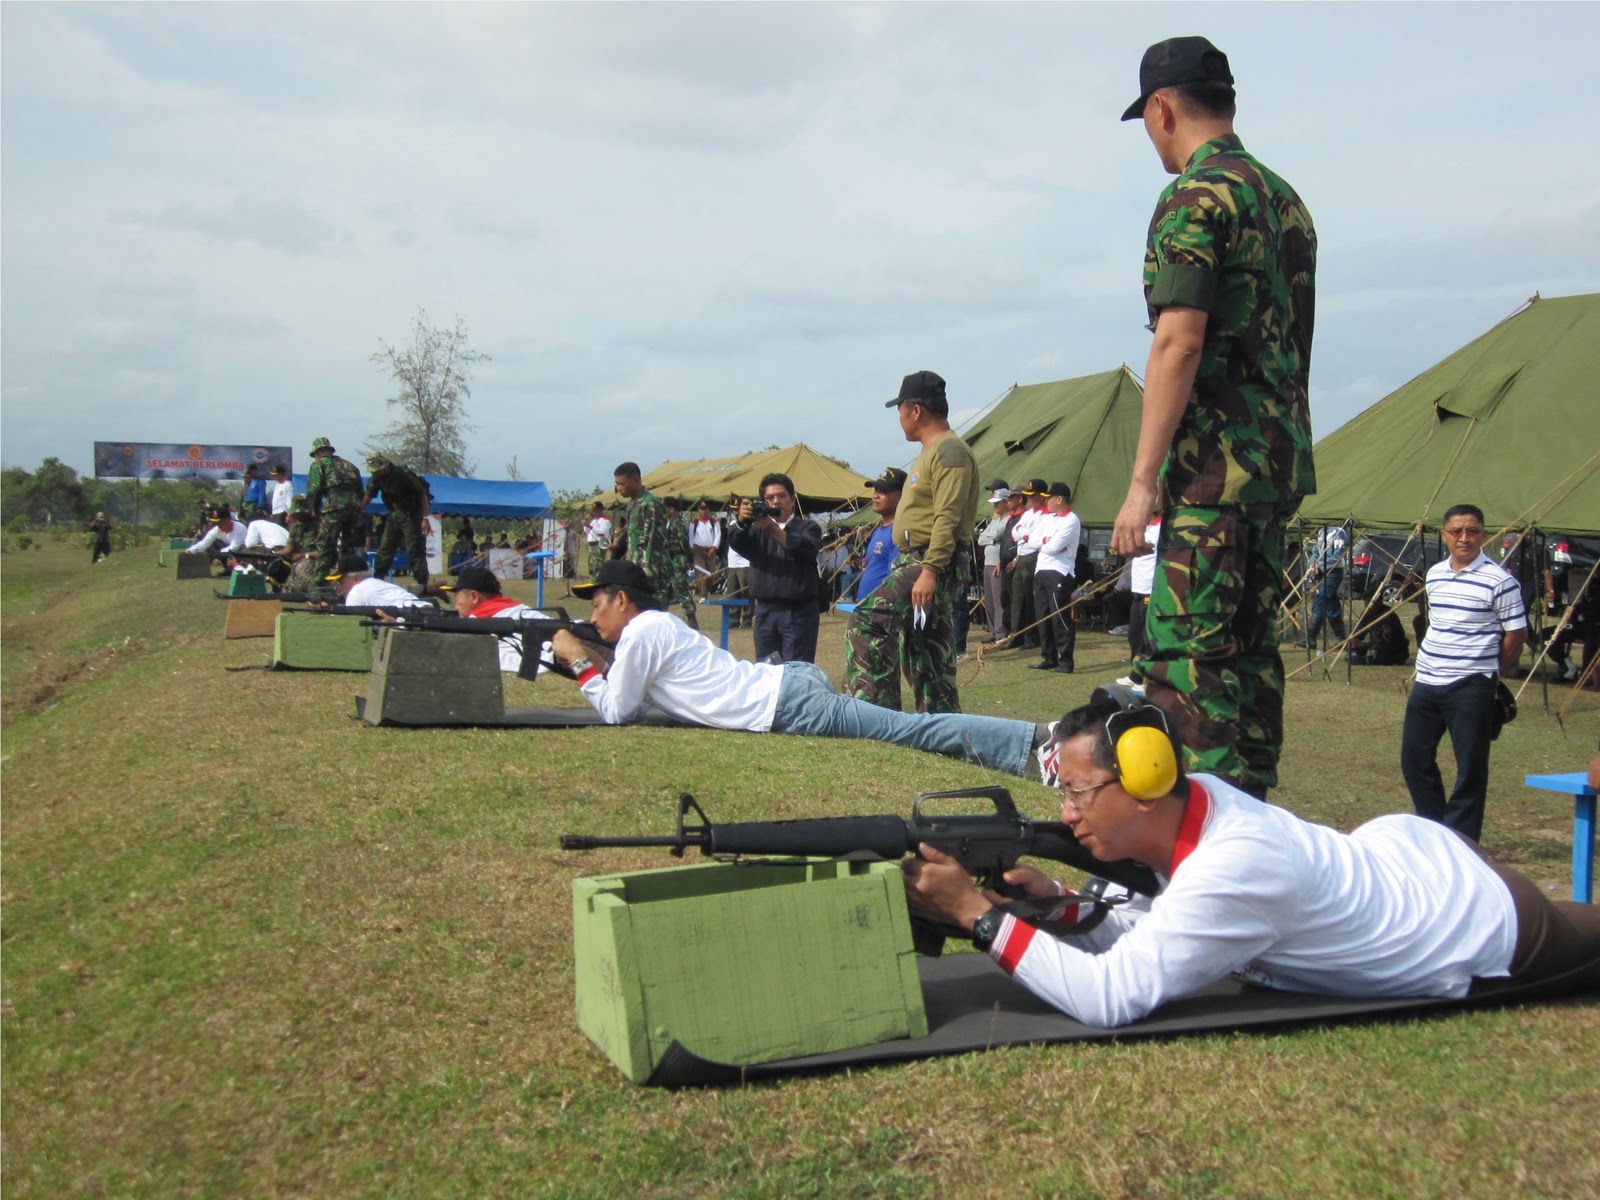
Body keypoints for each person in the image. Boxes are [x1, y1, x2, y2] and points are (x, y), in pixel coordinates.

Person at [902, 691, 1600, 1029]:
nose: (1067, 812)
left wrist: (975, 914)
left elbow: (1112, 996)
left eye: (1081, 793)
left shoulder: (1236, 865)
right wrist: (1059, 904)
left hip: (1480, 917)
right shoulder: (1194, 801)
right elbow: (1157, 927)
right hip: (1407, 857)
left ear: (1145, 787)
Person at [1108, 36, 1318, 798]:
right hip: (1271, 472)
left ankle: (1206, 863)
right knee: (1253, 664)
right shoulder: (1286, 200)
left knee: (1189, 673)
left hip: (1210, 479)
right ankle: (1259, 841)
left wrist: (1141, 484)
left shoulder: (1197, 197)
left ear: (1162, 109)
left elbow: (1178, 340)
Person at [548, 561, 1050, 775]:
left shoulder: (640, 632)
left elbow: (618, 710)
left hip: (787, 702)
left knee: (912, 731)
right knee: (908, 729)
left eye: (597, 606)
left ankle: (1034, 742)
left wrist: (576, 661)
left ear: (620, 600)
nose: (593, 617)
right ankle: (1034, 742)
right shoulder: (658, 626)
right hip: (788, 683)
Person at [845, 372, 979, 712]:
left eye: (900, 409)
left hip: (931, 560)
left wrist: (930, 570)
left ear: (915, 410)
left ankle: (875, 713)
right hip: (919, 559)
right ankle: (941, 723)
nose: (900, 418)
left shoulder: (949, 451)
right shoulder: (932, 452)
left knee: (868, 619)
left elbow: (947, 515)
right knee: (925, 648)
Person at [1401, 504, 1528, 842]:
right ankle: (1434, 829)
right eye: (1456, 531)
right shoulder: (1435, 575)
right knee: (1414, 759)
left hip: (1470, 685)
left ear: (1483, 535)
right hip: (1428, 681)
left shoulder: (1500, 582)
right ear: (1444, 535)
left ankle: (1461, 841)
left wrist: (1489, 670)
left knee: (1470, 769)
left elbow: (1516, 634)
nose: (1464, 538)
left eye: (1471, 531)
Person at [728, 472, 822, 663]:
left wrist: (773, 529)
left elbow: (805, 548)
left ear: (793, 499)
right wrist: (741, 521)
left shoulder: (808, 527)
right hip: (765, 612)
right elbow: (736, 542)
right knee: (766, 670)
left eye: (781, 496)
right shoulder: (756, 531)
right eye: (769, 498)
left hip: (798, 613)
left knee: (795, 671)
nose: (776, 501)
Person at [611, 462, 698, 632]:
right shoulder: (631, 506)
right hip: (636, 570)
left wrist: (646, 573)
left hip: (652, 572)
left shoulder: (650, 504)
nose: (618, 488)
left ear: (636, 480)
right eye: (617, 484)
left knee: (654, 619)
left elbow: (653, 540)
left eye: (621, 484)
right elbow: (632, 542)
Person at [440, 564, 548, 673]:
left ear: (474, 597)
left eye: (457, 599)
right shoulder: (517, 607)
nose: (456, 607)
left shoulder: (478, 620)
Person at [1027, 483, 1082, 673]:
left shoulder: (1072, 520)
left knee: (1059, 616)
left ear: (1059, 499)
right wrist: (1045, 541)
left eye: (1049, 498)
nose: (1045, 501)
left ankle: (1065, 661)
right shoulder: (1048, 518)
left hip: (1060, 571)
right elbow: (1032, 540)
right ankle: (1048, 657)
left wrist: (1045, 543)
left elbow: (1054, 546)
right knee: (1042, 616)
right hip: (1041, 570)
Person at [362, 454, 432, 589]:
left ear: (386, 466)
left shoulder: (402, 474)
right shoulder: (376, 478)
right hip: (394, 514)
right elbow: (368, 496)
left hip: (412, 515)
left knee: (415, 550)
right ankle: (378, 580)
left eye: (378, 470)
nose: (376, 473)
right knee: (385, 548)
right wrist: (358, 509)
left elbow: (421, 495)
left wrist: (425, 518)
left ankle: (422, 585)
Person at [305, 436, 365, 578]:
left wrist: (313, 509)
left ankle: (319, 581)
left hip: (334, 506)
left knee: (325, 545)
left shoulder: (318, 464)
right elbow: (361, 492)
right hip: (354, 508)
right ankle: (348, 579)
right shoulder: (350, 465)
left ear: (318, 453)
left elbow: (314, 490)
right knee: (348, 547)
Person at [1006, 481, 1048, 650]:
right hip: (1023, 555)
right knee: (1017, 599)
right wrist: (1024, 535)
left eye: (1032, 495)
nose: (1030, 499)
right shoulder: (1029, 513)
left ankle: (1032, 637)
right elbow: (1015, 532)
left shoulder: (1047, 514)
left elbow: (1035, 535)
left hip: (1034, 556)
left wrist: (1024, 534)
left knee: (1031, 600)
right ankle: (1016, 635)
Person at [855, 468, 906, 601]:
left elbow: (894, 579)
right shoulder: (879, 529)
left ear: (900, 496)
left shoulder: (898, 532)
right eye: (875, 490)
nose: (875, 495)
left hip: (882, 609)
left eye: (883, 491)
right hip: (867, 608)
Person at [322, 553, 432, 610]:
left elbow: (350, 625)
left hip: (415, 619)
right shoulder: (378, 584)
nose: (339, 587)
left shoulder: (357, 591)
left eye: (341, 581)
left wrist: (327, 610)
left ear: (356, 578)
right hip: (427, 611)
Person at [1305, 522, 1350, 649]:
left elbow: (1338, 555)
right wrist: (1313, 563)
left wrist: (1321, 565)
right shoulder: (1321, 531)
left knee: (1321, 598)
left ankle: (1311, 637)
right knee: (1331, 604)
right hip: (1320, 572)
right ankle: (1341, 638)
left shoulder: (1339, 532)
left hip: (1333, 571)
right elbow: (1315, 551)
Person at [977, 485, 1012, 644]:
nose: (995, 505)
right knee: (990, 599)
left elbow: (999, 534)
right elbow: (980, 539)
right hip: (988, 563)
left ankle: (1001, 631)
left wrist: (990, 537)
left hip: (997, 562)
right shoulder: (994, 520)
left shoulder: (1008, 519)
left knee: (999, 599)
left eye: (998, 502)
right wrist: (992, 538)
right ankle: (993, 630)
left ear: (1006, 501)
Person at [659, 496, 699, 627]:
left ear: (671, 509)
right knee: (666, 589)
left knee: (681, 588)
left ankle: (690, 618)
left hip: (678, 559)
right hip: (669, 559)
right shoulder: (669, 522)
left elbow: (684, 543)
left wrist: (690, 558)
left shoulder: (678, 523)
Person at [689, 502, 722, 599]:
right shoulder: (693, 523)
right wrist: (692, 551)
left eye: (705, 508)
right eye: (701, 509)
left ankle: (707, 591)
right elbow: (691, 537)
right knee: (701, 572)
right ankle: (703, 595)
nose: (704, 511)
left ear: (708, 510)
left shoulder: (714, 522)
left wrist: (714, 548)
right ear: (698, 510)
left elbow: (718, 536)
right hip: (698, 549)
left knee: (712, 573)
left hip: (710, 549)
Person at [583, 502, 612, 580]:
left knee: (597, 563)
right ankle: (592, 578)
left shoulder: (605, 521)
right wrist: (586, 524)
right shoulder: (593, 521)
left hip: (599, 543)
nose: (595, 512)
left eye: (596, 510)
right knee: (591, 563)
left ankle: (598, 579)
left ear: (601, 510)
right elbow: (586, 532)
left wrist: (589, 526)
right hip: (591, 544)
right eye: (594, 511)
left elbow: (601, 533)